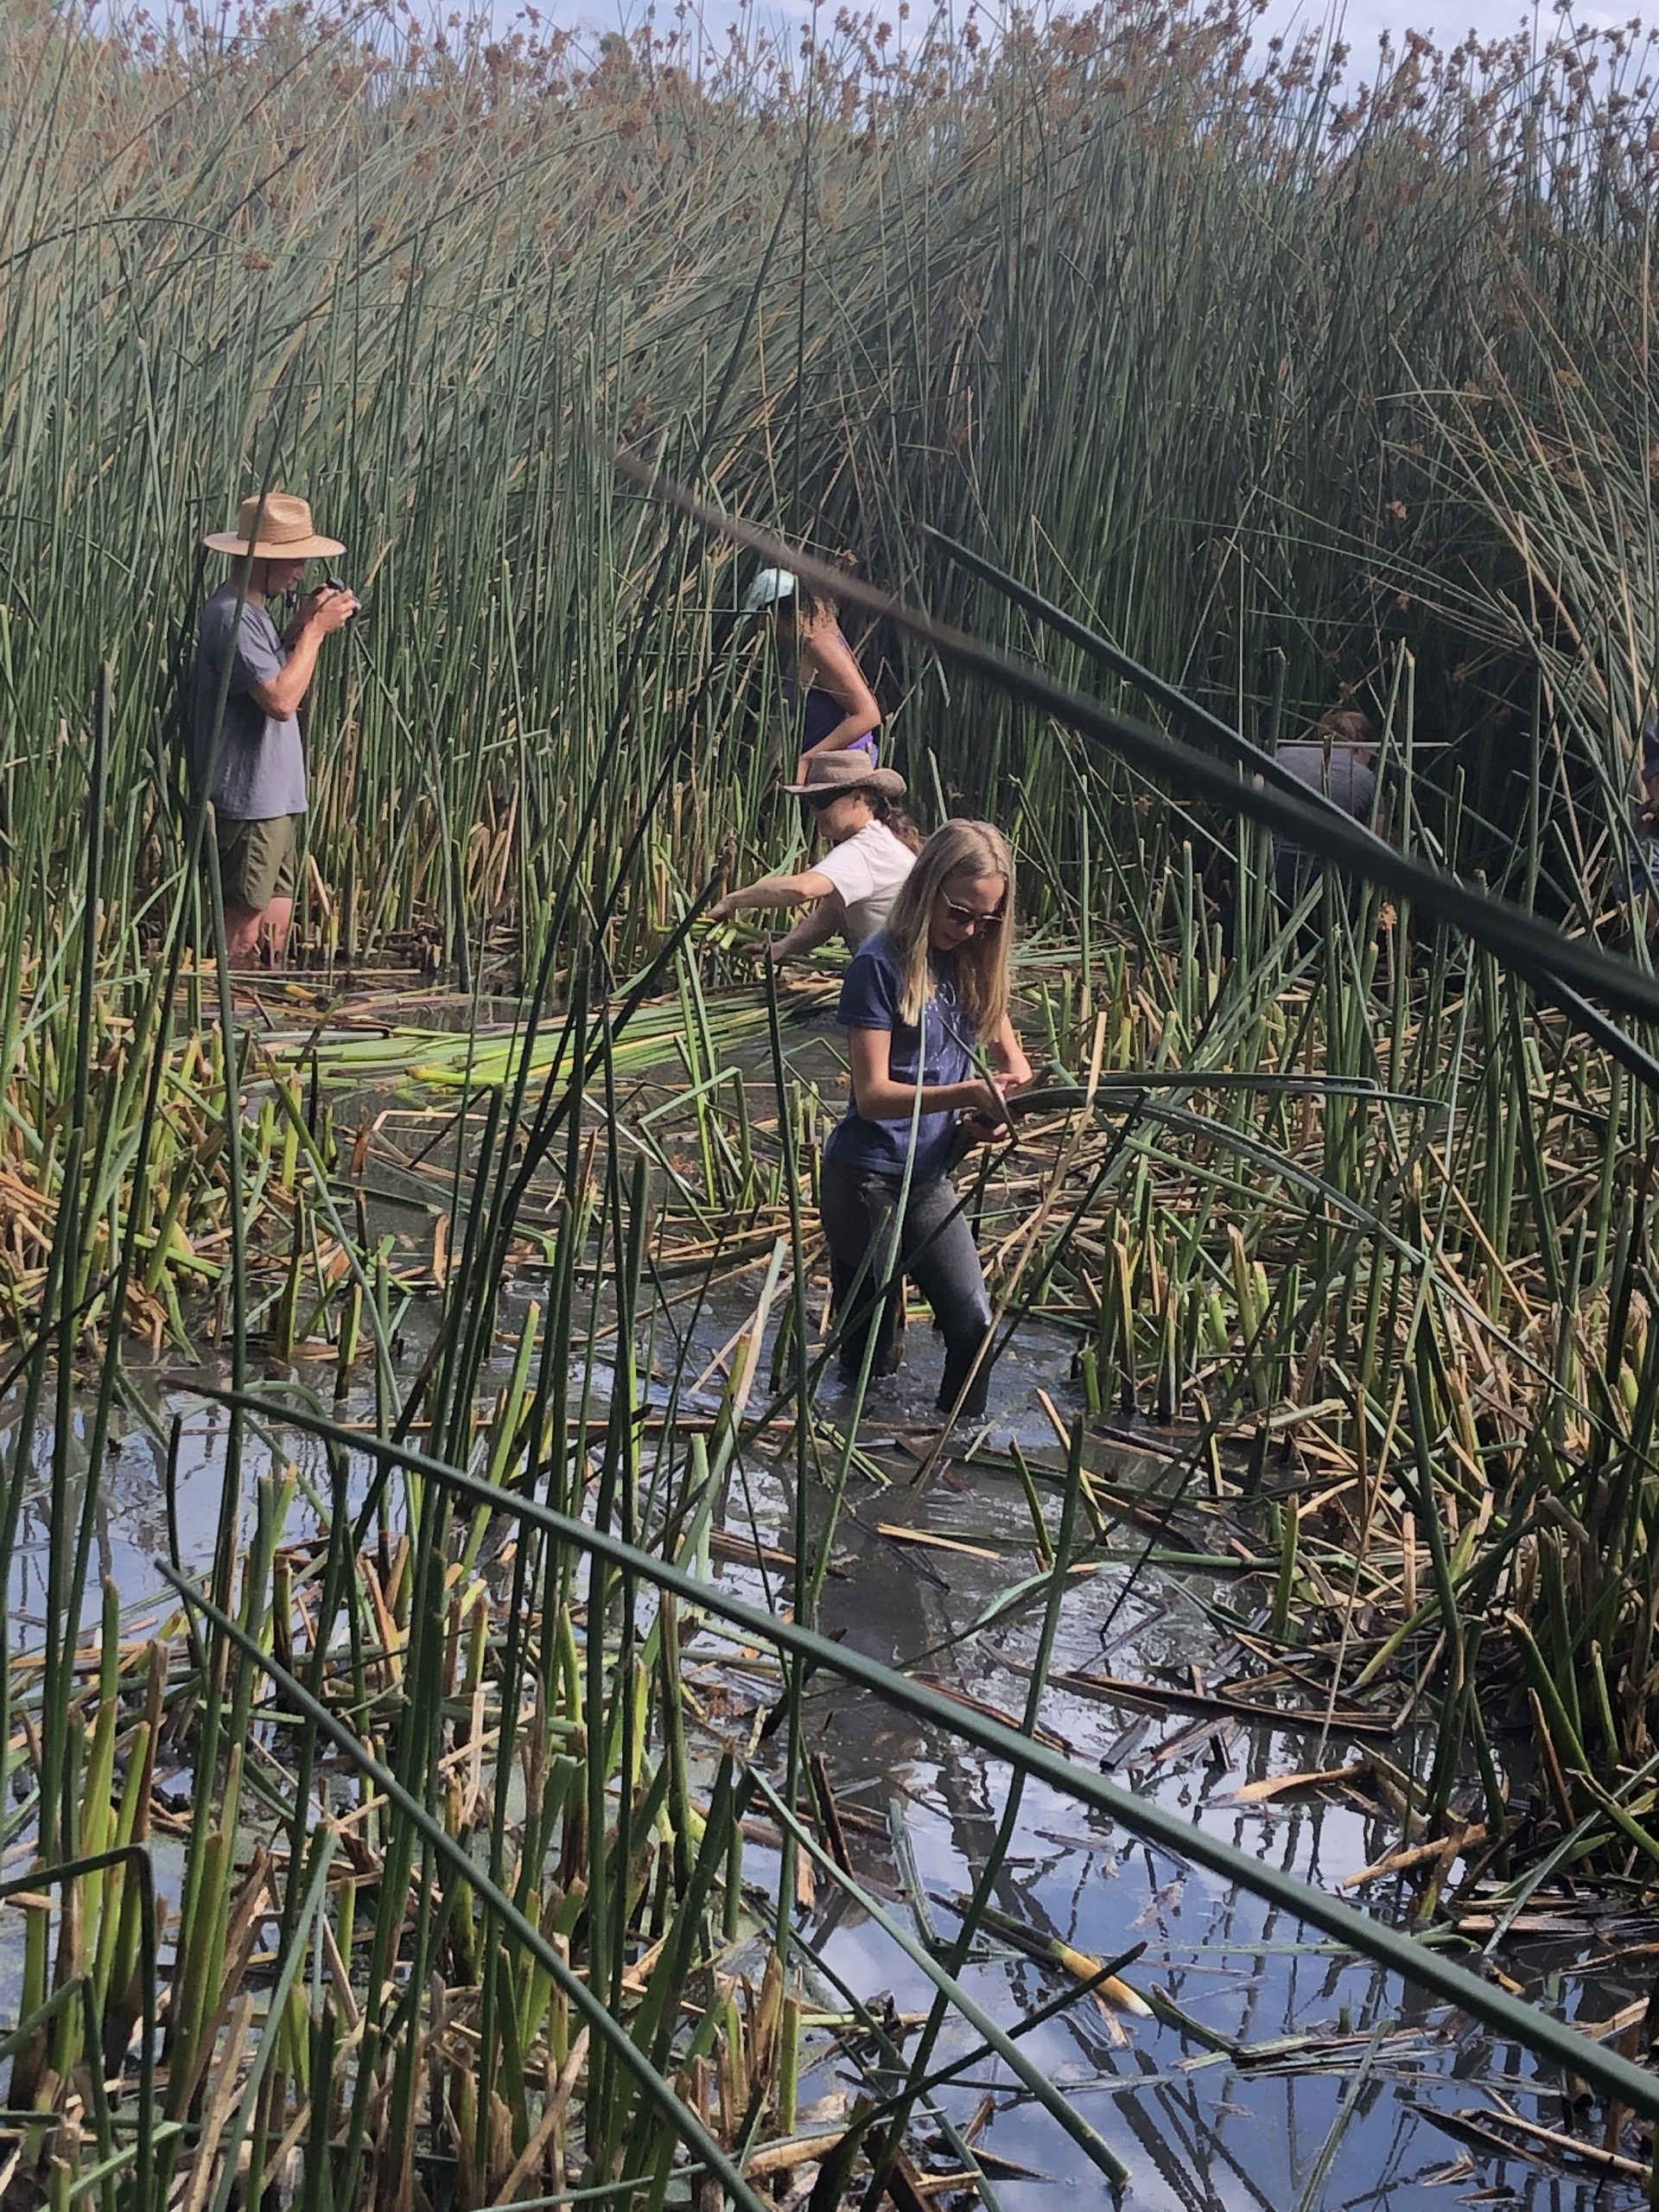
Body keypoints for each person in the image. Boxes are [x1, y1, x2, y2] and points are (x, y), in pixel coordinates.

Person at [819, 820, 1033, 1421]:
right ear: (927, 887)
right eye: (961, 914)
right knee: (871, 1352)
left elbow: (1015, 1068)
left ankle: (947, 1458)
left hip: (930, 1174)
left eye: (987, 921)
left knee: (973, 1326)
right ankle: (851, 1469)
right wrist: (968, 1091)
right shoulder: (878, 964)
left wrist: (994, 1116)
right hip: (866, 1177)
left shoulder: (973, 964)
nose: (970, 931)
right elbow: (873, 1095)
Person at [189, 491, 358, 966]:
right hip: (247, 799)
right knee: (242, 939)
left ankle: (261, 1031)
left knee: (273, 934)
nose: (301, 572)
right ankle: (227, 1024)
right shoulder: (231, 616)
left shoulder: (257, 615)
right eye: (294, 561)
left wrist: (299, 627)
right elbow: (281, 701)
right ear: (261, 559)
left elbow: (267, 672)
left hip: (276, 797)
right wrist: (316, 632)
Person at [709, 753, 921, 957]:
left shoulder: (864, 850)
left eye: (823, 800)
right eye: (811, 802)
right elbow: (828, 918)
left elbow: (803, 889)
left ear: (858, 798)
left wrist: (733, 900)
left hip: (898, 977)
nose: (816, 812)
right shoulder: (876, 840)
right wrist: (783, 947)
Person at [744, 567, 882, 780]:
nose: (762, 628)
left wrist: (808, 760)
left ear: (780, 612)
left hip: (843, 769)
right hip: (826, 770)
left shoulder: (821, 646)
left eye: (762, 619)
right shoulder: (805, 645)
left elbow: (868, 715)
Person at [1271, 708, 1381, 912]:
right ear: (1359, 749)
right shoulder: (1367, 779)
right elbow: (1374, 847)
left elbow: (1256, 788)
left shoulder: (1283, 754)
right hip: (1327, 886)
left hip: (1273, 871)